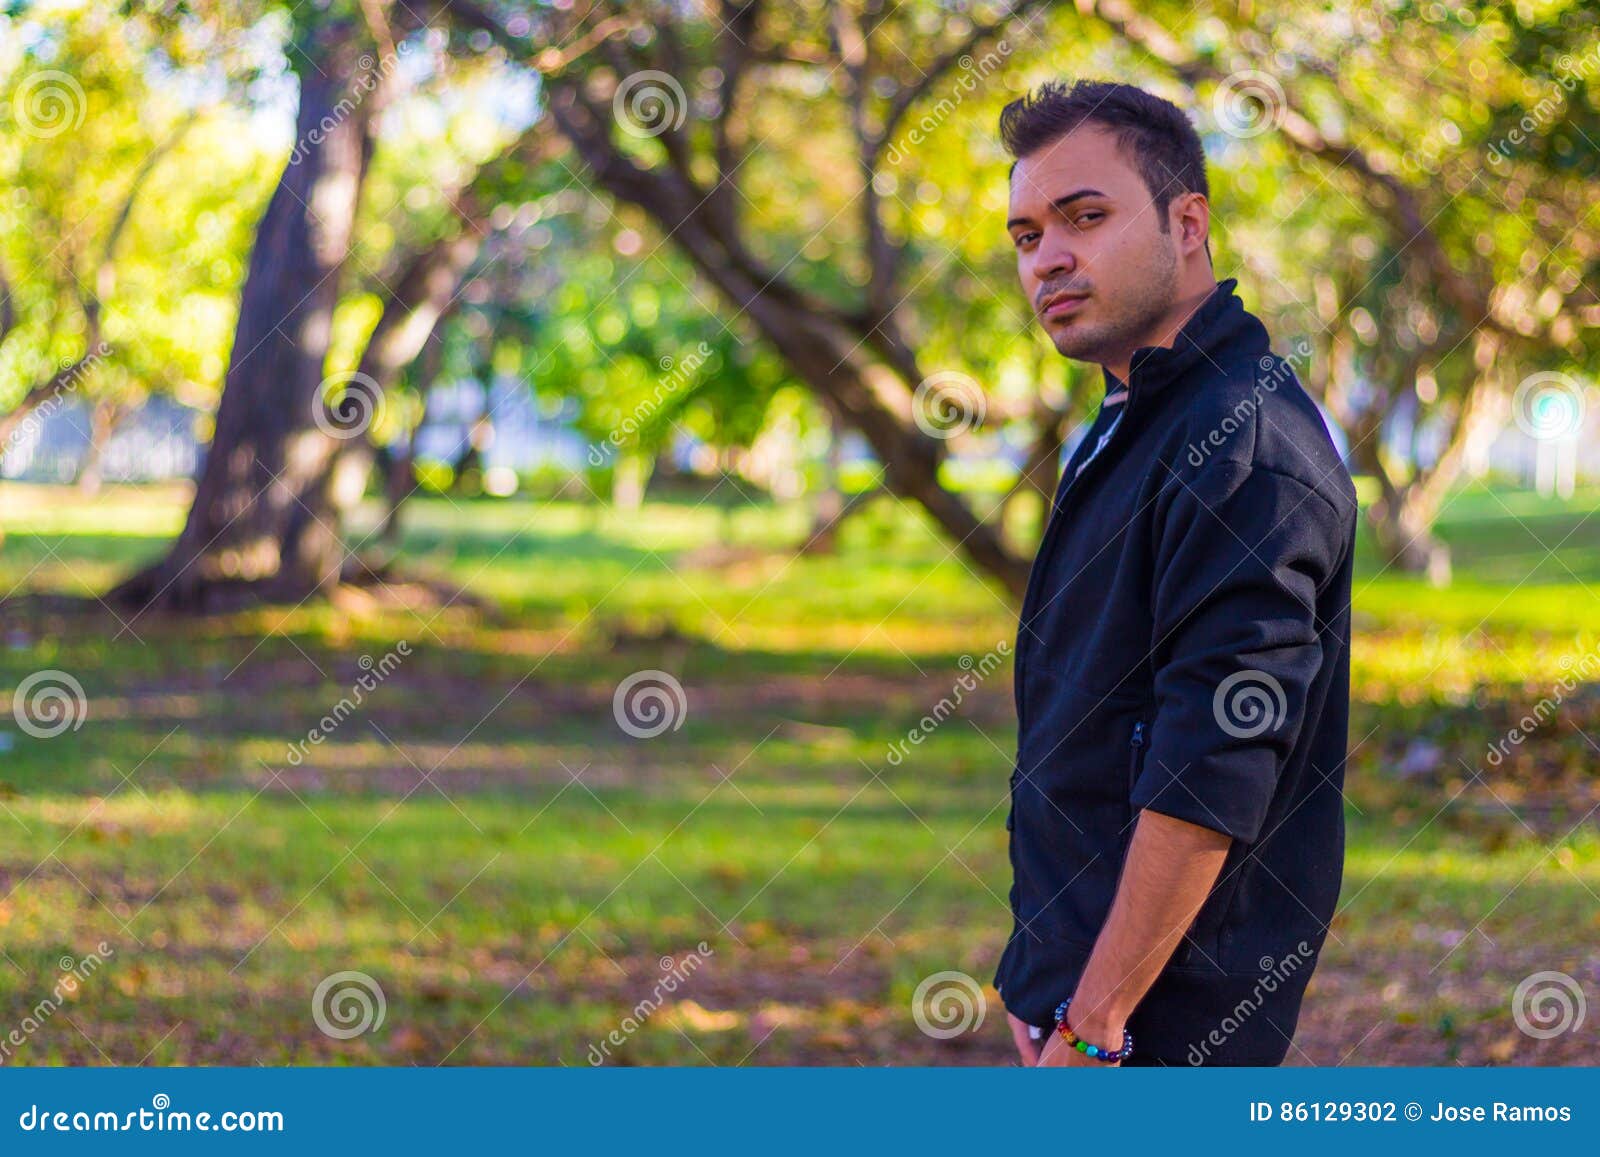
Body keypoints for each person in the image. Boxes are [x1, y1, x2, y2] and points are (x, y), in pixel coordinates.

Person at [992, 79, 1359, 1067]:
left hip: (1167, 1019)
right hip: (1078, 987)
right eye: (1027, 236)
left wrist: (1098, 1018)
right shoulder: (1132, 424)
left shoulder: (1242, 445)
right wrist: (1039, 975)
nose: (1049, 257)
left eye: (1084, 216)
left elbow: (1214, 761)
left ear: (1186, 220)